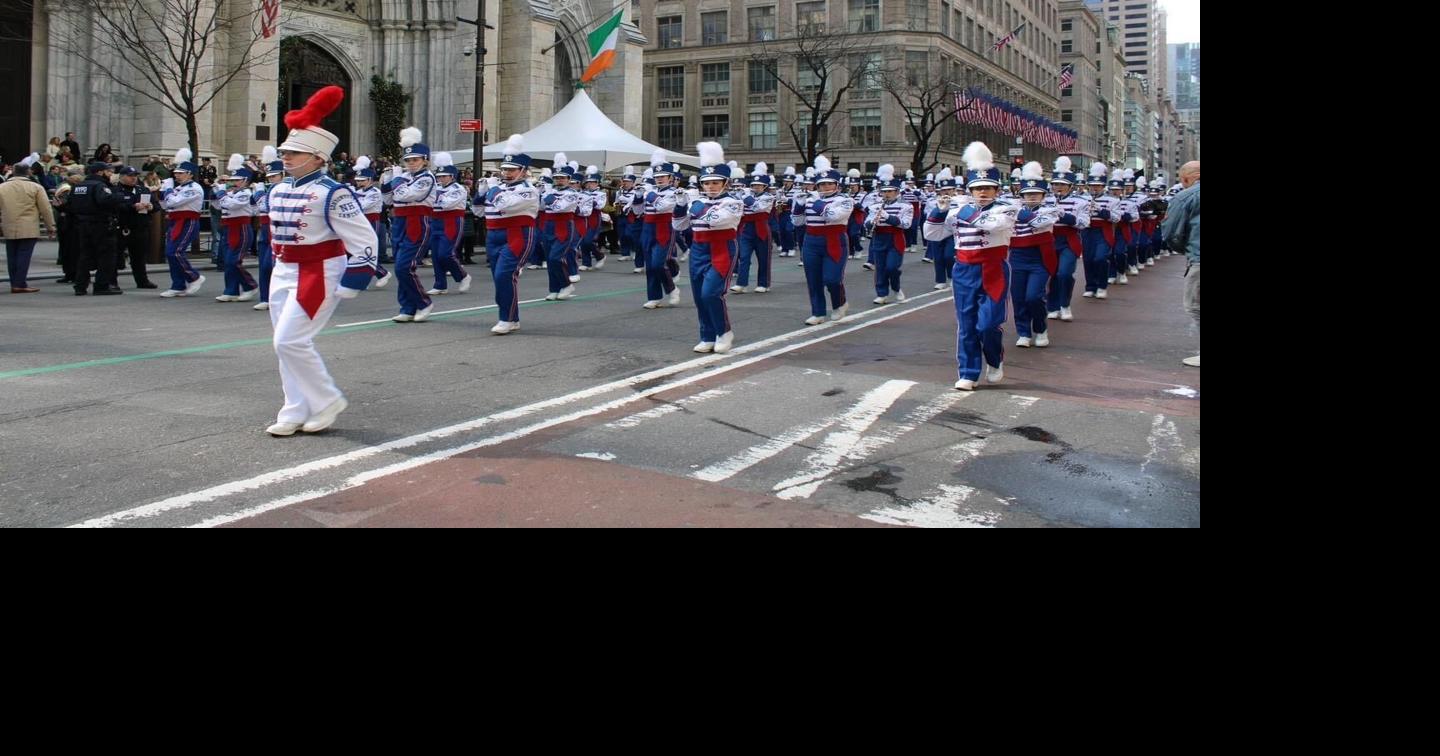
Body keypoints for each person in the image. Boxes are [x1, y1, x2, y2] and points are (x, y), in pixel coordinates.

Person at [264, 85, 379, 436]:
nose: (286, 157)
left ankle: (327, 399)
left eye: (295, 153)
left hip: (319, 270)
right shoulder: (278, 188)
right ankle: (295, 409)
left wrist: (353, 278)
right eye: (286, 151)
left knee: (290, 341)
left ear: (318, 158)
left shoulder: (333, 192)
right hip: (284, 269)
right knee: (283, 344)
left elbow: (364, 239)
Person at [926, 142, 1017, 391]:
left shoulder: (1007, 208)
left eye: (988, 188)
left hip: (993, 269)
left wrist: (961, 208)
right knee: (966, 324)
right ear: (970, 190)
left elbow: (992, 225)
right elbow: (933, 235)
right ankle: (968, 372)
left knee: (987, 325)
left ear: (997, 190)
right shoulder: (956, 210)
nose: (983, 193)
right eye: (978, 189)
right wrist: (939, 210)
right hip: (964, 270)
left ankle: (995, 359)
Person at [673, 142, 743, 353]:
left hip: (722, 249)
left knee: (711, 293)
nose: (710, 186)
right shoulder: (699, 201)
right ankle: (707, 335)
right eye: (707, 183)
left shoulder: (733, 202)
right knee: (698, 296)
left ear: (725, 183)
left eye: (715, 182)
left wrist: (696, 206)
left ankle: (724, 332)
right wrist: (679, 204)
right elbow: (679, 225)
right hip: (699, 249)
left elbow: (716, 220)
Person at [481, 135, 540, 335]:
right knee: (499, 279)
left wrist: (492, 191)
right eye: (504, 169)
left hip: (517, 234)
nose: (506, 173)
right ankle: (511, 317)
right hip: (494, 235)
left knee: (504, 275)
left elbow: (504, 205)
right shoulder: (499, 188)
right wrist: (481, 193)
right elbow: (480, 212)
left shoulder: (529, 190)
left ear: (523, 171)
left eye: (511, 169)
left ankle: (506, 318)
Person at [67, 161, 127, 295]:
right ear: (100, 172)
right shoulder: (100, 185)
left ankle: (80, 286)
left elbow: (70, 205)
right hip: (101, 224)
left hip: (82, 224)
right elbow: (104, 200)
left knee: (84, 256)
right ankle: (101, 286)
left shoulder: (78, 186)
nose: (110, 174)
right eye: (108, 171)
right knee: (106, 256)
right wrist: (119, 196)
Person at [1162, 160, 1200, 368]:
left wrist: (1185, 249)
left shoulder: (1185, 195)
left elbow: (1170, 232)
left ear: (1186, 179)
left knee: (1195, 305)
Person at [1, 155, 58, 293]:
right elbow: (45, 208)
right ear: (28, 172)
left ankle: (14, 282)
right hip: (28, 225)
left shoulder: (2, 187)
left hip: (9, 224)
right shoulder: (35, 187)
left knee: (12, 255)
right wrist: (51, 226)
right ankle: (20, 283)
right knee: (24, 255)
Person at [157, 149, 207, 297]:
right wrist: (164, 192)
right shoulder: (178, 188)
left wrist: (167, 191)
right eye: (176, 173)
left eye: (181, 173)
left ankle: (194, 277)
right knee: (170, 253)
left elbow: (173, 201)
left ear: (190, 174)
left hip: (188, 222)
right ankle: (177, 285)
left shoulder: (194, 188)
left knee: (176, 252)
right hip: (175, 221)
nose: (176, 175)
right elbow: (165, 205)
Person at [865, 165, 913, 306]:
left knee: (892, 267)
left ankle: (896, 288)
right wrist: (871, 223)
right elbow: (866, 223)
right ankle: (882, 293)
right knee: (880, 267)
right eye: (884, 191)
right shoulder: (875, 205)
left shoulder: (906, 206)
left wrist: (888, 217)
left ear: (897, 192)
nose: (886, 194)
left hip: (895, 238)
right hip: (879, 238)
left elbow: (906, 224)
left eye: (890, 191)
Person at [112, 166, 158, 289]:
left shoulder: (142, 190)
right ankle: (112, 281)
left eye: (135, 176)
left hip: (140, 227)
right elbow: (116, 206)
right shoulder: (116, 190)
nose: (133, 178)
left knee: (139, 257)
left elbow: (156, 205)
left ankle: (142, 280)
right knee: (115, 256)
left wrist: (150, 207)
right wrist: (133, 206)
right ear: (122, 177)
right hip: (122, 227)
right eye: (130, 176)